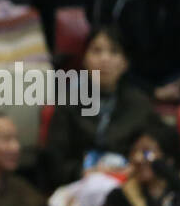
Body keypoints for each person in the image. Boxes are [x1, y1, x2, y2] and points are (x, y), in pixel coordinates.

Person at [42, 25, 157, 189]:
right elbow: (54, 161)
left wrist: (136, 166)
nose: (105, 59)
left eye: (114, 52)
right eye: (96, 51)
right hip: (79, 185)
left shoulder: (140, 104)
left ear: (125, 63)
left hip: (129, 184)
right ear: (85, 59)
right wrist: (82, 172)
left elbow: (157, 146)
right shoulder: (68, 102)